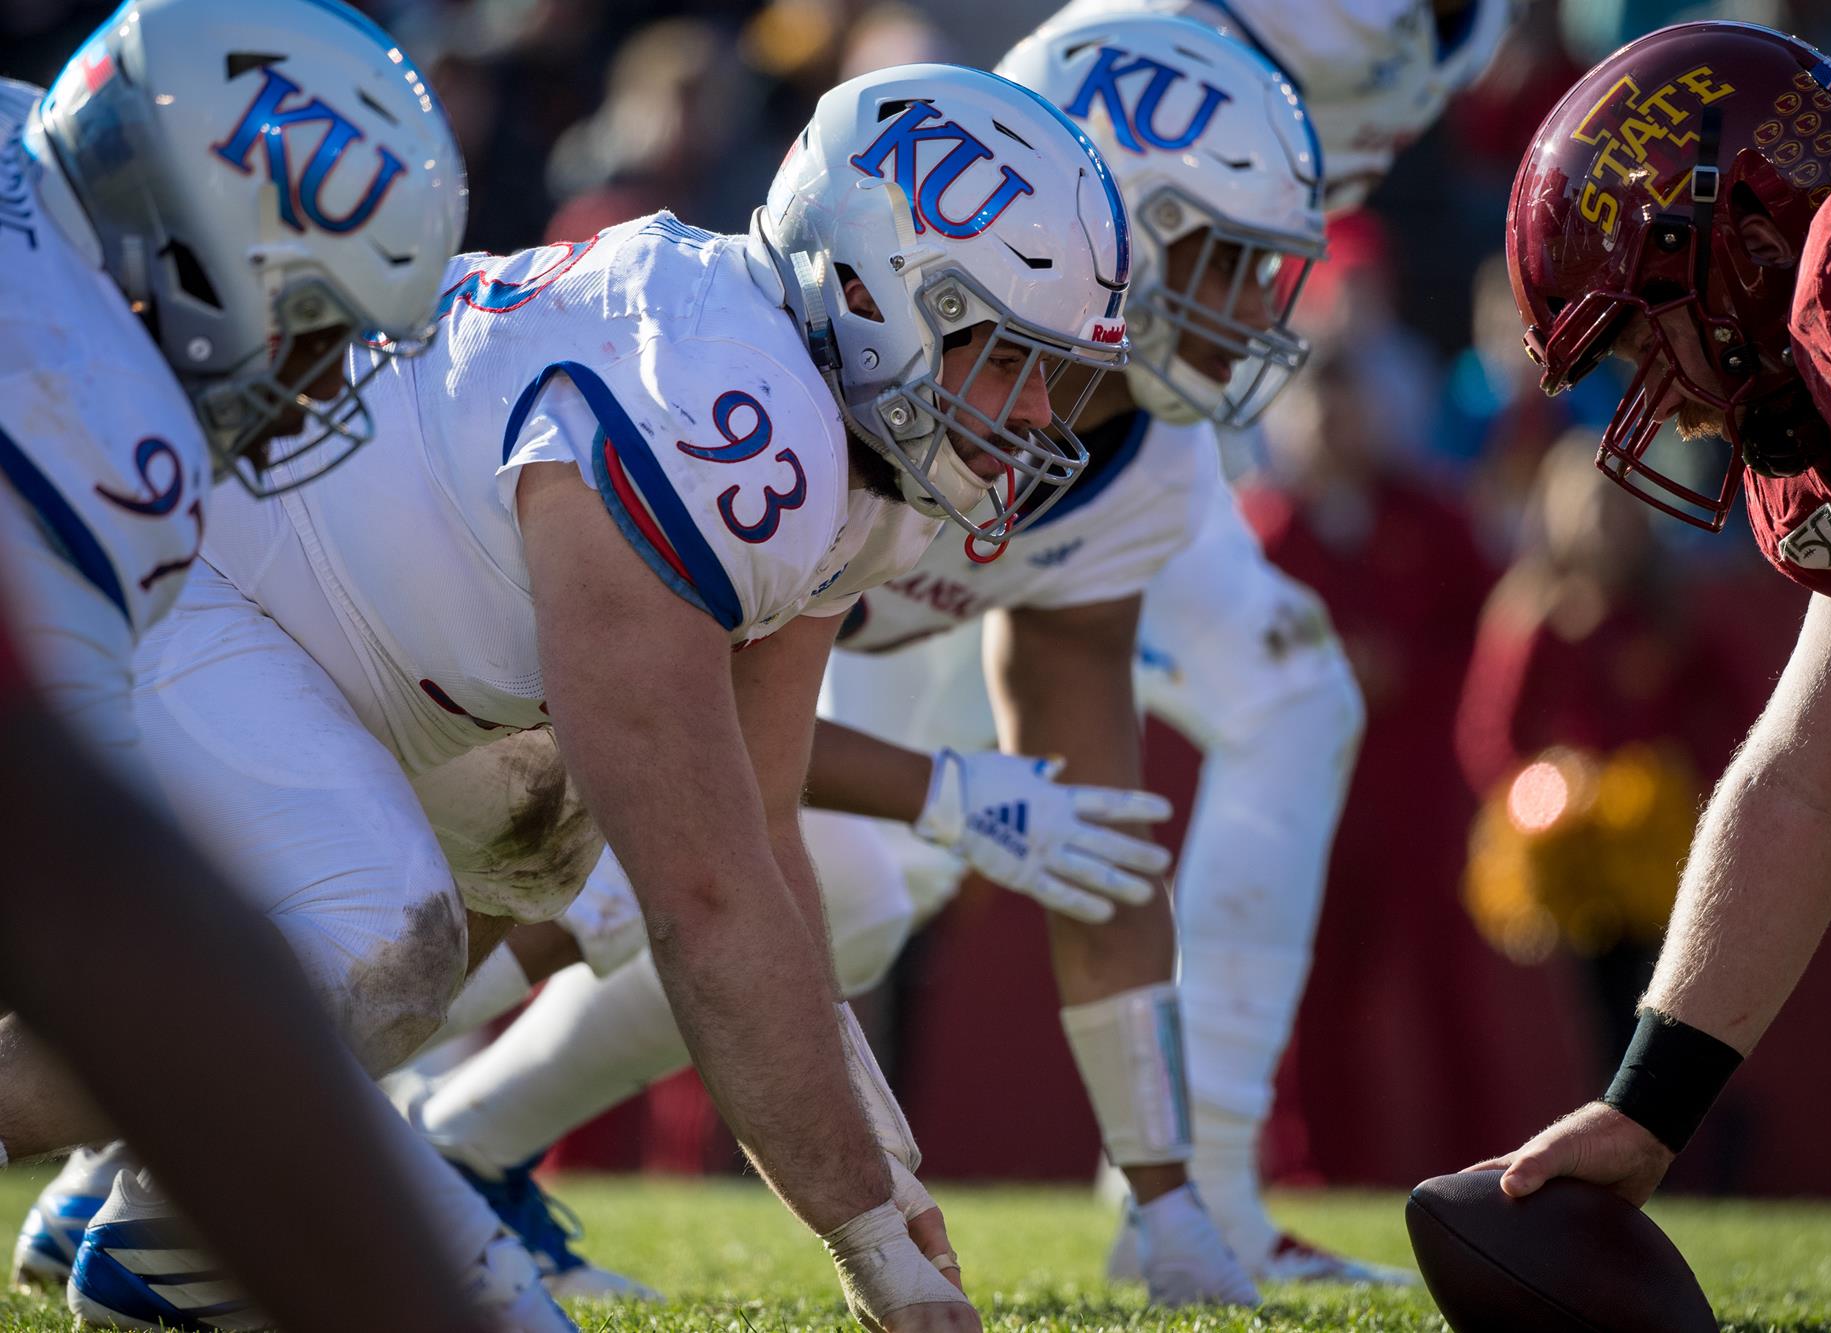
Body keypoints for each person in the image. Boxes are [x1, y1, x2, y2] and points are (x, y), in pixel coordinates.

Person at [389, 0, 1521, 1298]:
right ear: (1111, 242)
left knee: (849, 892)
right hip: (479, 679)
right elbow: (687, 748)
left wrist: (1169, 1198)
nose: (1263, 312)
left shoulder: (1136, 459)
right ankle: (290, 1107)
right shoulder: (822, 391)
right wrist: (939, 790)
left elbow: (1098, 818)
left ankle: (454, 1142)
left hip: (716, 681)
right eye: (1223, 260)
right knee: (607, 838)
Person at [9, 57, 1133, 1333]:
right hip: (185, 565)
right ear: (869, 290)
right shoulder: (725, 406)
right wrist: (864, 1236)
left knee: (535, 823)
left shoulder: (851, 456)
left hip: (314, 627)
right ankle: (138, 1170)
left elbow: (760, 831)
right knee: (385, 930)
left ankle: (161, 1218)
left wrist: (880, 1178)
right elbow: (700, 901)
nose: (1040, 413)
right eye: (1001, 355)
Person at [0, 2, 532, 1329]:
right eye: (310, 319)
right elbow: (86, 899)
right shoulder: (111, 450)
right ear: (184, 235)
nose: (321, 381)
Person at [1468, 15, 1831, 1206]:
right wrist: (1641, 1108)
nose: (1649, 398)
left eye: (1642, 337)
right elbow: (1803, 772)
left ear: (1746, 254)